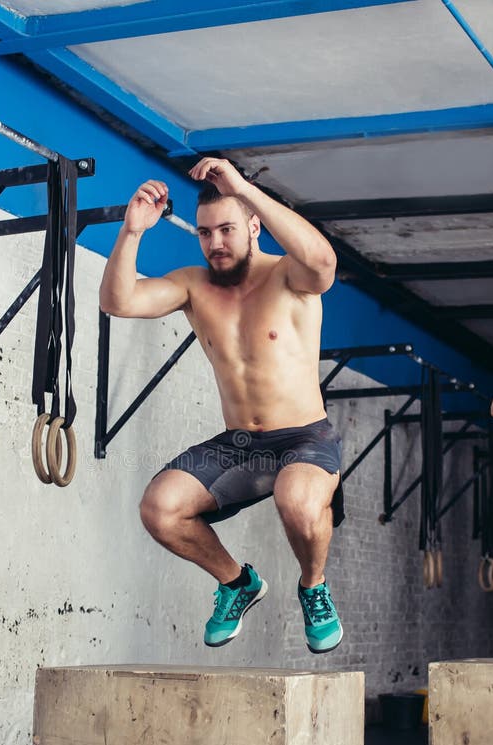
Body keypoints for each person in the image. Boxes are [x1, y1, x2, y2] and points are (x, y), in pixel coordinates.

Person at [100, 157, 344, 653]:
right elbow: (118, 301)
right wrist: (131, 233)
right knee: (160, 509)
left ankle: (313, 586)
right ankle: (237, 584)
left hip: (304, 438)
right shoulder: (195, 285)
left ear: (254, 225)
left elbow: (324, 264)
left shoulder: (289, 276)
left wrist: (243, 188)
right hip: (241, 446)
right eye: (206, 233)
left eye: (228, 229)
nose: (216, 243)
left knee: (296, 501)